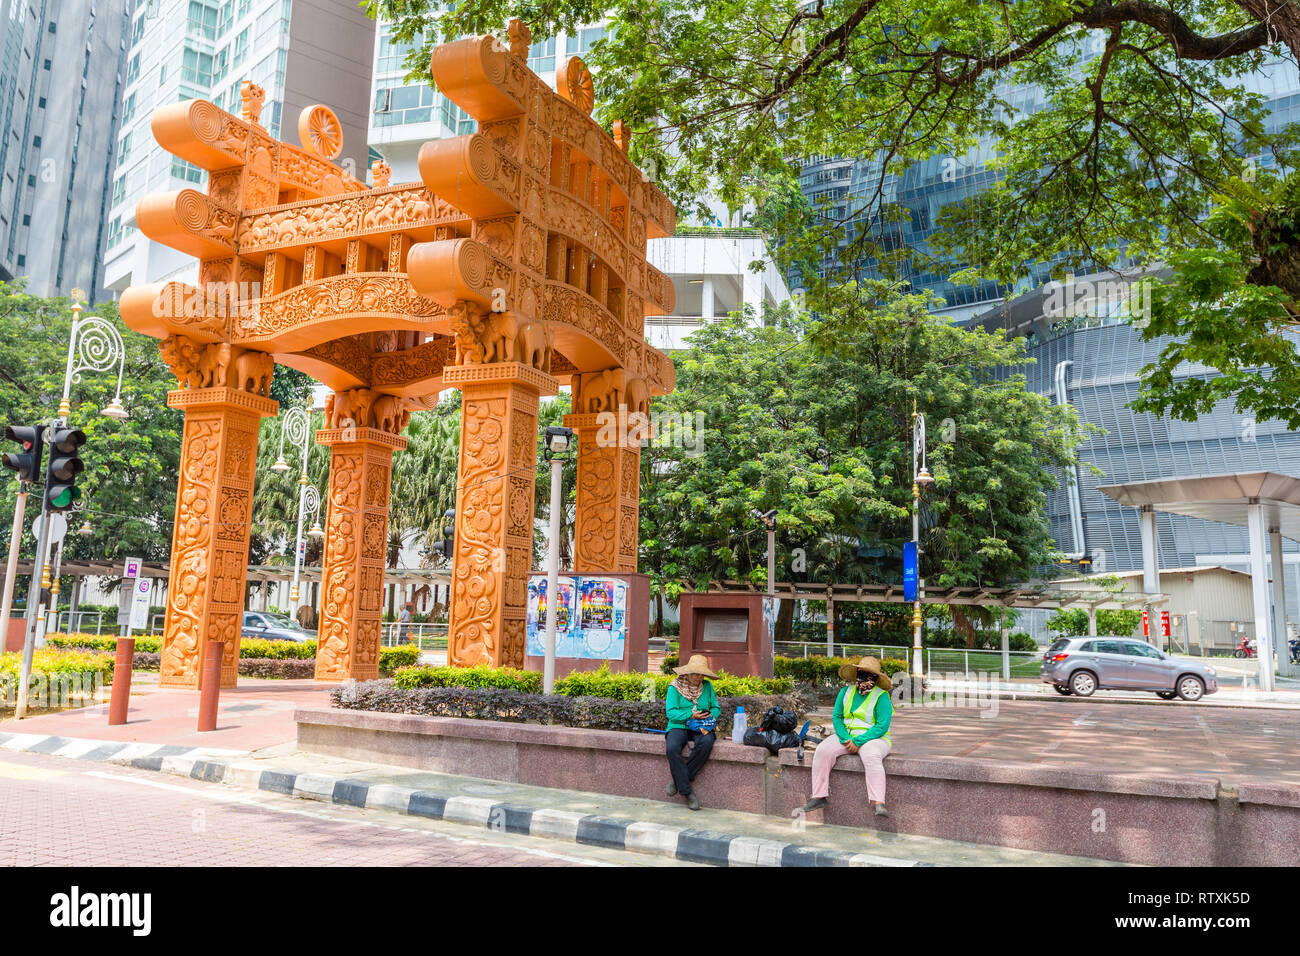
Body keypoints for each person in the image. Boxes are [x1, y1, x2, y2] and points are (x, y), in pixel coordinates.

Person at [800, 656, 894, 817]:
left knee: (871, 756)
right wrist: (845, 739)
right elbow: (837, 717)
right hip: (847, 736)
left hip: (875, 738)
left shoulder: (882, 696)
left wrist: (858, 740)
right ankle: (818, 796)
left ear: (876, 678)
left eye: (869, 674)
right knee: (823, 750)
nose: (864, 676)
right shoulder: (845, 692)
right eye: (862, 672)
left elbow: (882, 725)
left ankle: (879, 803)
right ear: (857, 673)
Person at [664, 654, 720, 811]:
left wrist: (710, 716)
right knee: (672, 748)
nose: (698, 677)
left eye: (701, 674)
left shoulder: (707, 686)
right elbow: (671, 712)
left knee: (707, 742)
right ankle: (687, 792)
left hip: (700, 724)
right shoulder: (674, 687)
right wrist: (690, 715)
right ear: (687, 673)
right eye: (695, 673)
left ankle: (679, 781)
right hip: (679, 724)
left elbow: (716, 707)